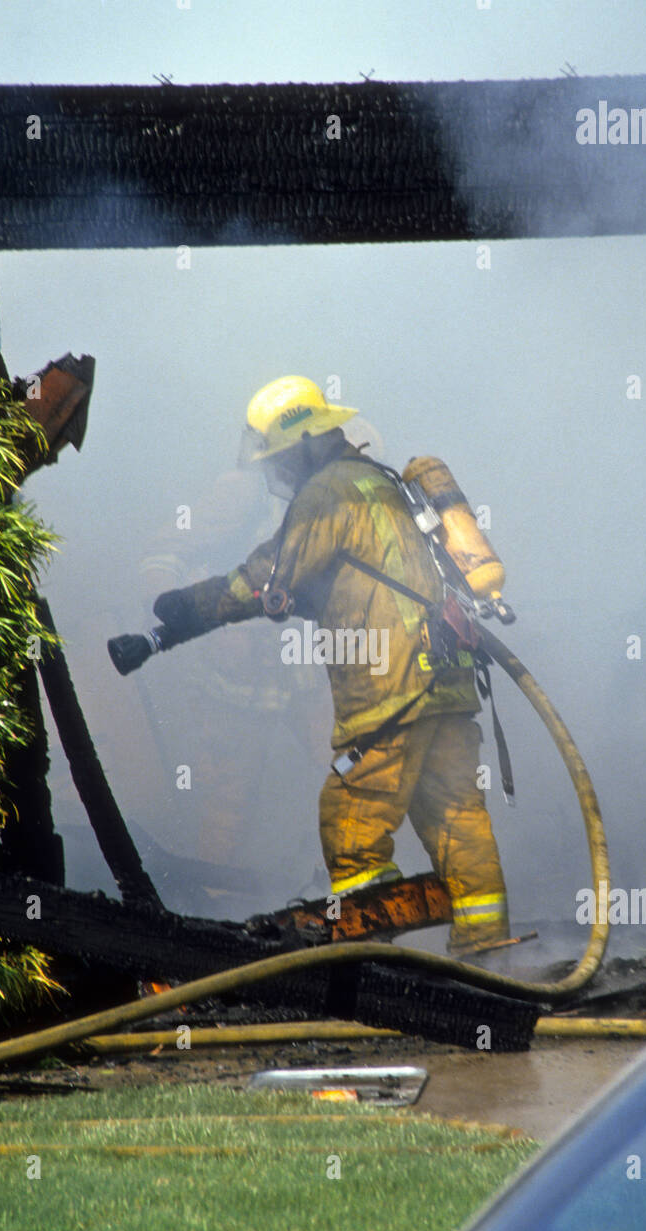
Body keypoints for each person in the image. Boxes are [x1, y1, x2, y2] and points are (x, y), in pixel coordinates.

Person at [136, 375, 508, 956]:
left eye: (280, 458)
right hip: (447, 678)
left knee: (350, 815)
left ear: (308, 444)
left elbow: (270, 578)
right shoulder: (381, 485)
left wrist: (193, 607)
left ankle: (375, 950)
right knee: (459, 816)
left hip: (392, 684)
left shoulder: (328, 493)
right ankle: (489, 952)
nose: (277, 474)